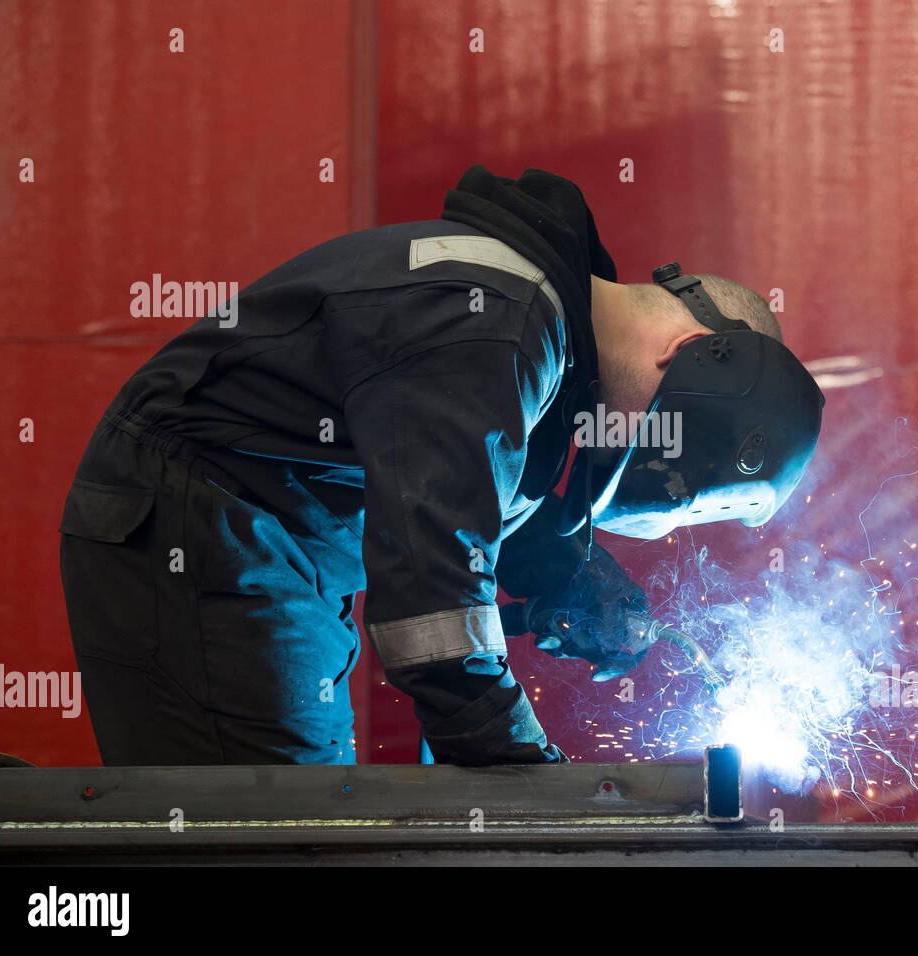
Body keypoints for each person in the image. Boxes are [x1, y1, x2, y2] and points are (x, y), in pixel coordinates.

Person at [58, 164, 824, 767]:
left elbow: (456, 483)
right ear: (687, 356)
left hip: (266, 541)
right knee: (271, 831)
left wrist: (561, 574)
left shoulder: (533, 329)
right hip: (209, 532)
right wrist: (536, 785)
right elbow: (432, 604)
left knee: (296, 816)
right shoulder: (497, 327)